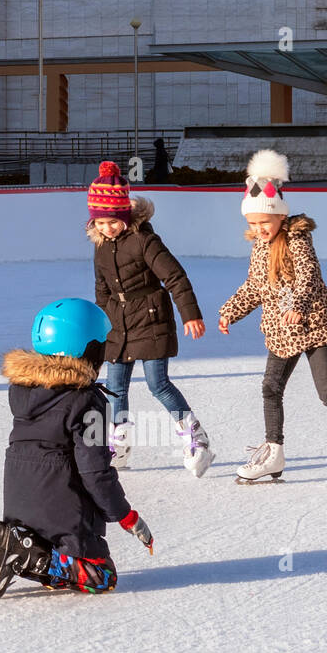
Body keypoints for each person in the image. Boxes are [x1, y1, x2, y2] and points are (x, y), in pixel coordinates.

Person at [0, 298, 155, 598]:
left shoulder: (25, 391)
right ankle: (27, 554)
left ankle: (20, 546)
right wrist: (125, 515)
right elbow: (95, 473)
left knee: (64, 571)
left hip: (20, 507)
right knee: (101, 578)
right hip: (62, 510)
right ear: (87, 350)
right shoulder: (87, 402)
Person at [218, 149, 327, 484]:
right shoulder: (259, 248)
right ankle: (273, 454)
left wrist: (297, 305)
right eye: (253, 223)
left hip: (314, 326)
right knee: (271, 389)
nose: (259, 228)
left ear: (281, 216)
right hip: (282, 332)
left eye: (265, 221)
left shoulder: (297, 239)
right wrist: (229, 312)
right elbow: (255, 287)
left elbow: (308, 275)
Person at [86, 160, 213, 477]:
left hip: (151, 318)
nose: (107, 227)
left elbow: (175, 278)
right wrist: (102, 327)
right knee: (115, 389)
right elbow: (101, 290)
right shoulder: (101, 249)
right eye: (101, 222)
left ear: (124, 215)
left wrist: (190, 314)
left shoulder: (145, 241)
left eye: (113, 221)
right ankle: (119, 446)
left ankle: (195, 438)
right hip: (118, 322)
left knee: (159, 384)